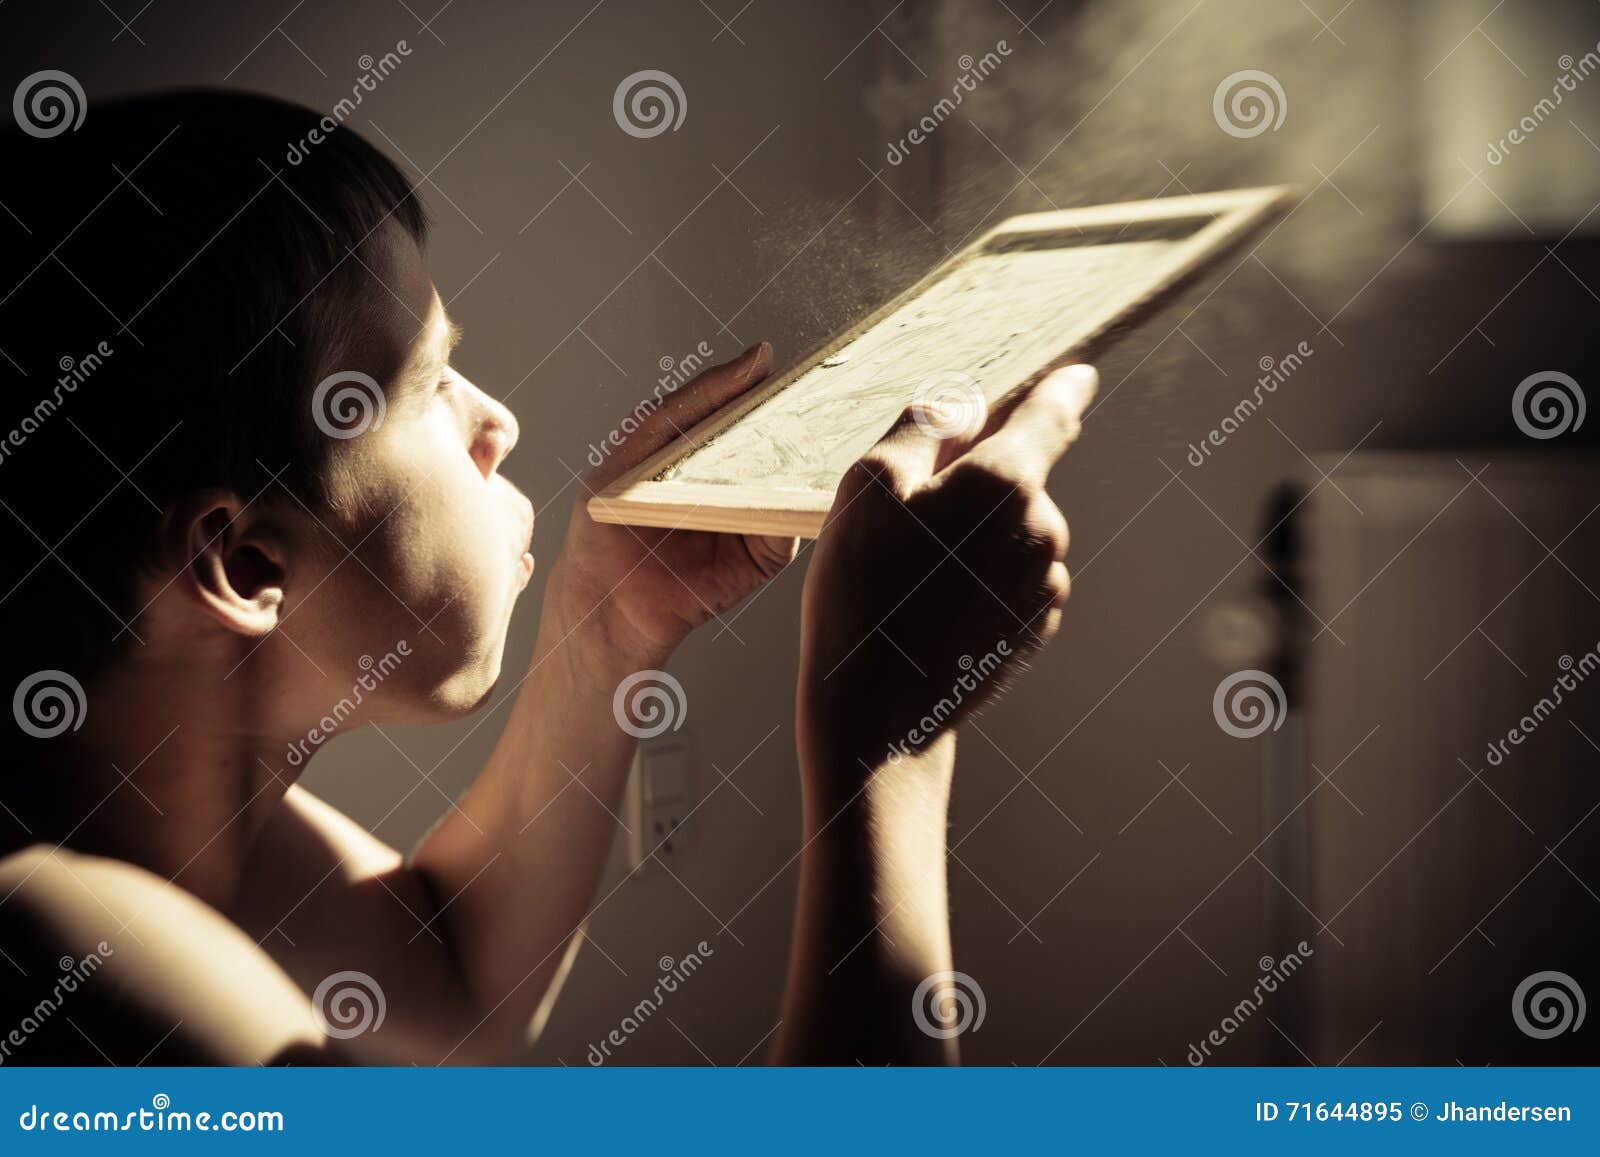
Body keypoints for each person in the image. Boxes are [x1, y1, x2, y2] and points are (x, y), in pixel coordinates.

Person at [0, 90, 1091, 1064]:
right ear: (244, 563)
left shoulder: (184, 834)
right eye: (428, 385)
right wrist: (885, 733)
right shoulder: (76, 950)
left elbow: (454, 981)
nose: (496, 422)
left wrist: (609, 619)